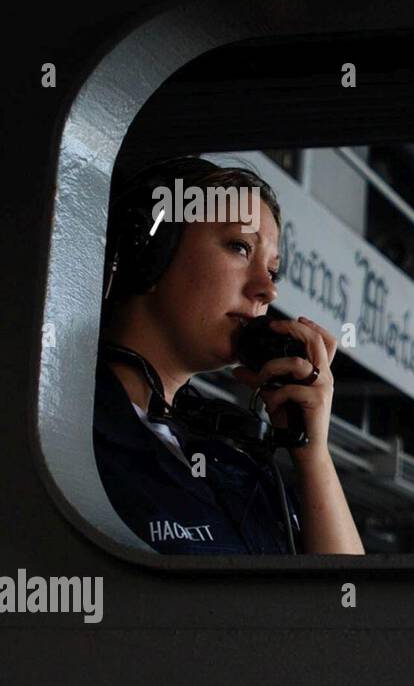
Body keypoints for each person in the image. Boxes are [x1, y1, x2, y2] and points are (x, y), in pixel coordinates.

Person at [95, 156, 365, 555]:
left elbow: (349, 606)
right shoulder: (58, 428)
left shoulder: (230, 459)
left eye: (272, 272)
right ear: (149, 253)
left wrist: (311, 454)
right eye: (240, 247)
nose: (267, 291)